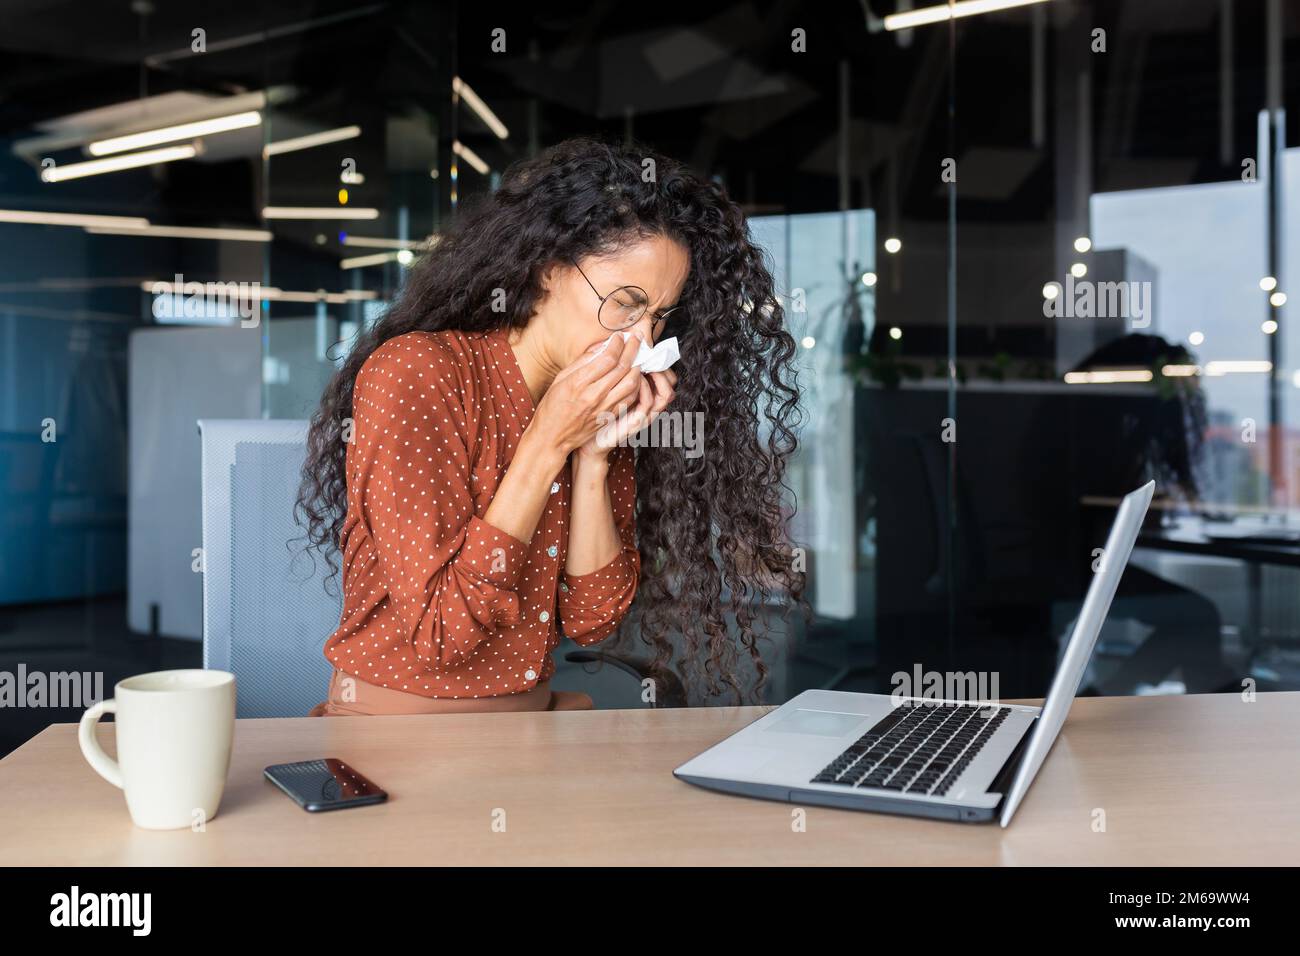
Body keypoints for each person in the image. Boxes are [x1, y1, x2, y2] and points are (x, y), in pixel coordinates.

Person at [296, 136, 805, 715]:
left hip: (528, 726)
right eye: (625, 303)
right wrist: (546, 443)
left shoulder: (586, 406)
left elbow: (593, 620)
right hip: (395, 731)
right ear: (546, 271)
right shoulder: (418, 372)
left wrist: (592, 459)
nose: (642, 342)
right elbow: (442, 635)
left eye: (660, 317)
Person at [1068, 334, 1234, 694]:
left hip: (1074, 562)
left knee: (1195, 618)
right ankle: (1112, 696)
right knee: (1197, 617)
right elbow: (1091, 510)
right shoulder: (1097, 437)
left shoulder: (1094, 429)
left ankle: (1109, 695)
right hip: (1068, 566)